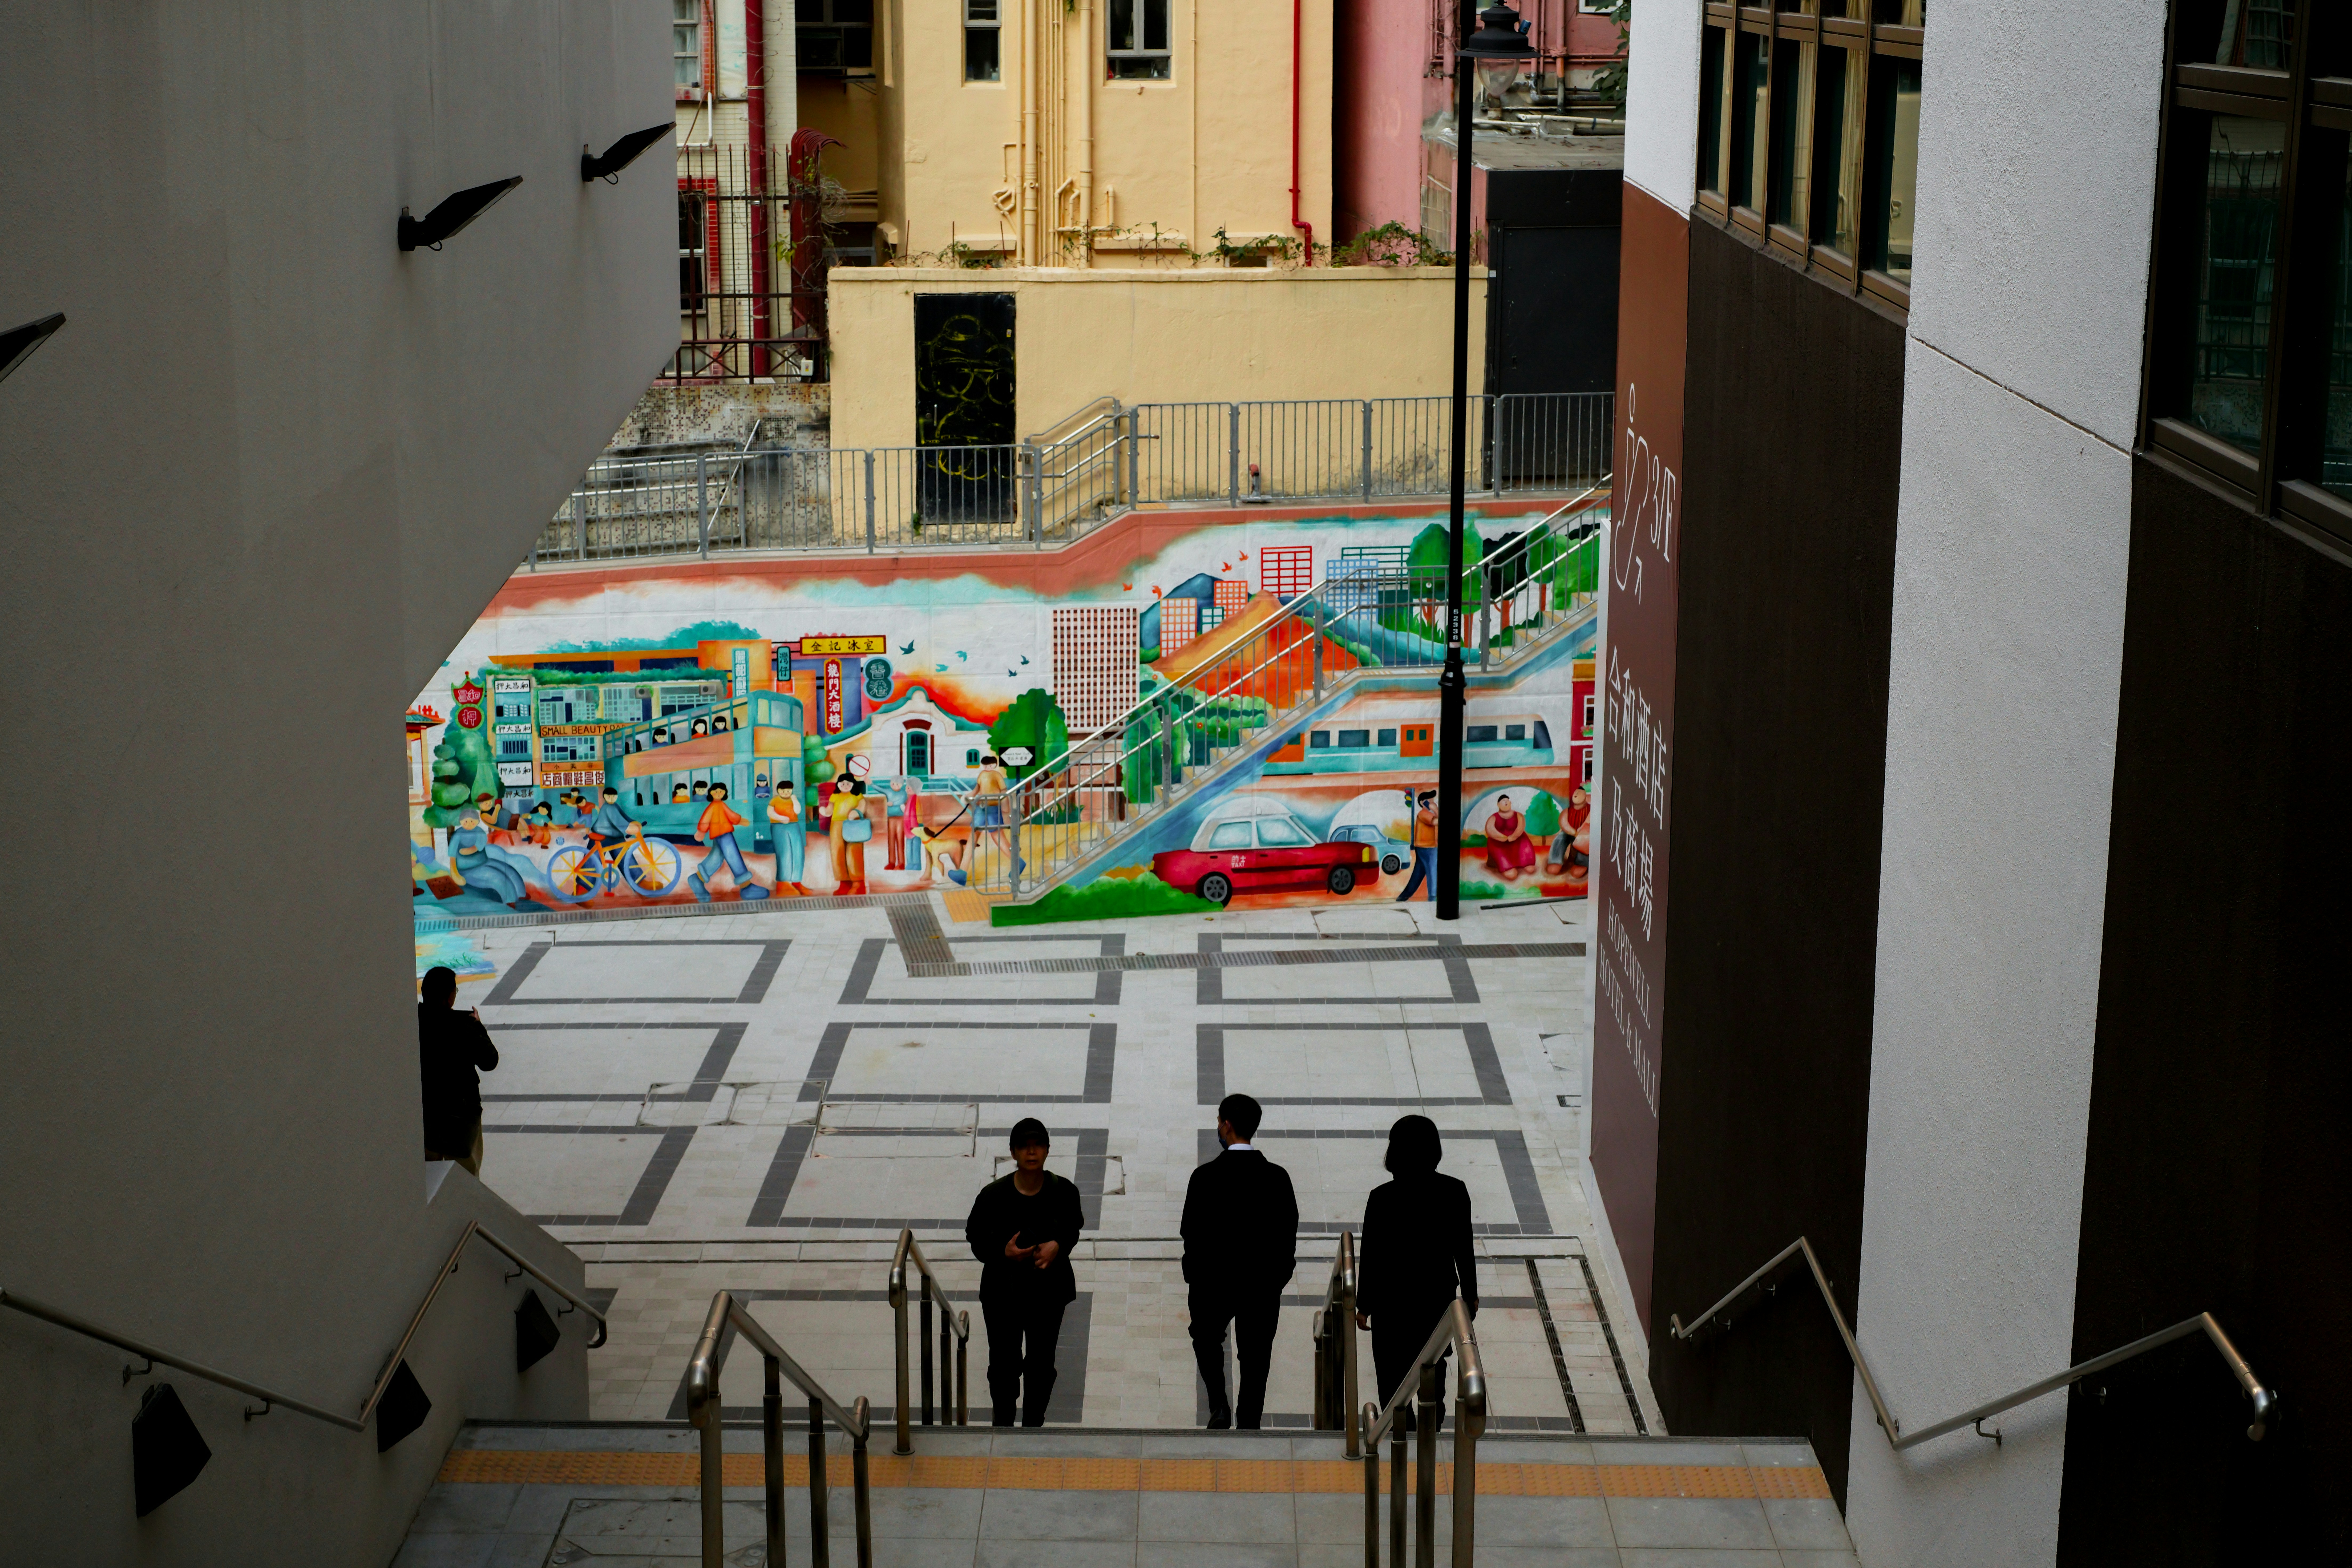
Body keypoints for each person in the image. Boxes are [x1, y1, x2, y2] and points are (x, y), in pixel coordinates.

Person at [1179, 1093, 1299, 1429]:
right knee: (1256, 1354)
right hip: (1261, 1284)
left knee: (1206, 1338)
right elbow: (1287, 1234)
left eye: (1220, 1122)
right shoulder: (1277, 1177)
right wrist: (1278, 1278)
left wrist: (1195, 1274)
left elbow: (1191, 1232)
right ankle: (1249, 1421)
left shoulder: (1204, 1177)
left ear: (1227, 1125)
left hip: (1212, 1282)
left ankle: (1219, 1405)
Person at [1355, 1115, 1477, 1430]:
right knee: (1432, 1374)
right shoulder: (1454, 1191)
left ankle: (1400, 1435)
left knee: (1392, 1379)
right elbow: (1464, 1249)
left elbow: (1371, 1254)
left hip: (1391, 1305)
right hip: (1436, 1303)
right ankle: (1429, 1435)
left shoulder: (1382, 1197)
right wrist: (1471, 1297)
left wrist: (1364, 1304)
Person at [965, 1119, 1084, 1426]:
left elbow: (1074, 1227)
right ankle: (1004, 1424)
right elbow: (976, 1237)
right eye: (1024, 1146)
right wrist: (1003, 1253)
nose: (1032, 1152)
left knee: (1041, 1365)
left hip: (1048, 1293)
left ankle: (1034, 1424)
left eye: (1038, 1145)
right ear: (1013, 1152)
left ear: (1047, 1150)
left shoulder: (1064, 1192)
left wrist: (1058, 1246)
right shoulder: (994, 1195)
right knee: (1004, 1364)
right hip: (1003, 1293)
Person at [417, 965, 499, 1174]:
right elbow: (490, 1061)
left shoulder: (414, 1023)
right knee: (465, 1177)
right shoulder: (464, 1027)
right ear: (450, 998)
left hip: (426, 1117)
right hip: (461, 1120)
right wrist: (478, 1026)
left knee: (429, 1177)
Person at [689, 780, 770, 902]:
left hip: (722, 833)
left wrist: (740, 821)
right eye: (716, 792)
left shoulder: (721, 805)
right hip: (724, 835)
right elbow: (706, 819)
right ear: (711, 793)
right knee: (733, 856)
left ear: (724, 794)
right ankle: (746, 886)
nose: (719, 794)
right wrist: (701, 832)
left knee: (716, 858)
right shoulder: (714, 807)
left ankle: (698, 879)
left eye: (721, 792)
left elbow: (731, 816)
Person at [1394, 790, 1441, 902]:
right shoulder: (1424, 814)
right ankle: (1434, 898)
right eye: (1430, 800)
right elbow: (1438, 822)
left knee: (1418, 874)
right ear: (1423, 803)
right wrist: (1436, 809)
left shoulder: (1427, 814)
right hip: (1428, 848)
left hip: (1424, 847)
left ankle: (1404, 896)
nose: (1433, 802)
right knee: (1433, 872)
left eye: (1433, 799)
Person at [765, 777, 808, 895]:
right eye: (783, 791)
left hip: (794, 826)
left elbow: (798, 811)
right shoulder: (775, 800)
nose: (786, 793)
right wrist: (781, 818)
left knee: (798, 852)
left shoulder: (793, 799)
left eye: (788, 791)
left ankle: (797, 882)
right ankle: (783, 884)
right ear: (779, 791)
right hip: (778, 827)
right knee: (785, 853)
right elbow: (770, 812)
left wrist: (794, 800)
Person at [1484, 794, 1535, 882]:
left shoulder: (1518, 815)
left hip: (1517, 841)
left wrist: (1514, 836)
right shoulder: (1494, 817)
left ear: (1511, 803)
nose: (1506, 802)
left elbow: (1521, 827)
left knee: (1530, 869)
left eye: (1508, 801)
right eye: (1504, 801)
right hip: (1499, 843)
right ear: (1498, 805)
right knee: (1512, 875)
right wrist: (1502, 838)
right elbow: (1490, 829)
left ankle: (1524, 862)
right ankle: (1506, 866)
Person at [880, 774, 913, 871]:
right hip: (891, 818)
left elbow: (901, 801)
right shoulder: (889, 791)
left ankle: (901, 863)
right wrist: (871, 784)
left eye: (898, 784)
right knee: (891, 840)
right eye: (893, 784)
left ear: (902, 785)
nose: (895, 786)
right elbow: (880, 789)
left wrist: (893, 804)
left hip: (900, 818)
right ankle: (892, 862)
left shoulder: (903, 793)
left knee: (900, 839)